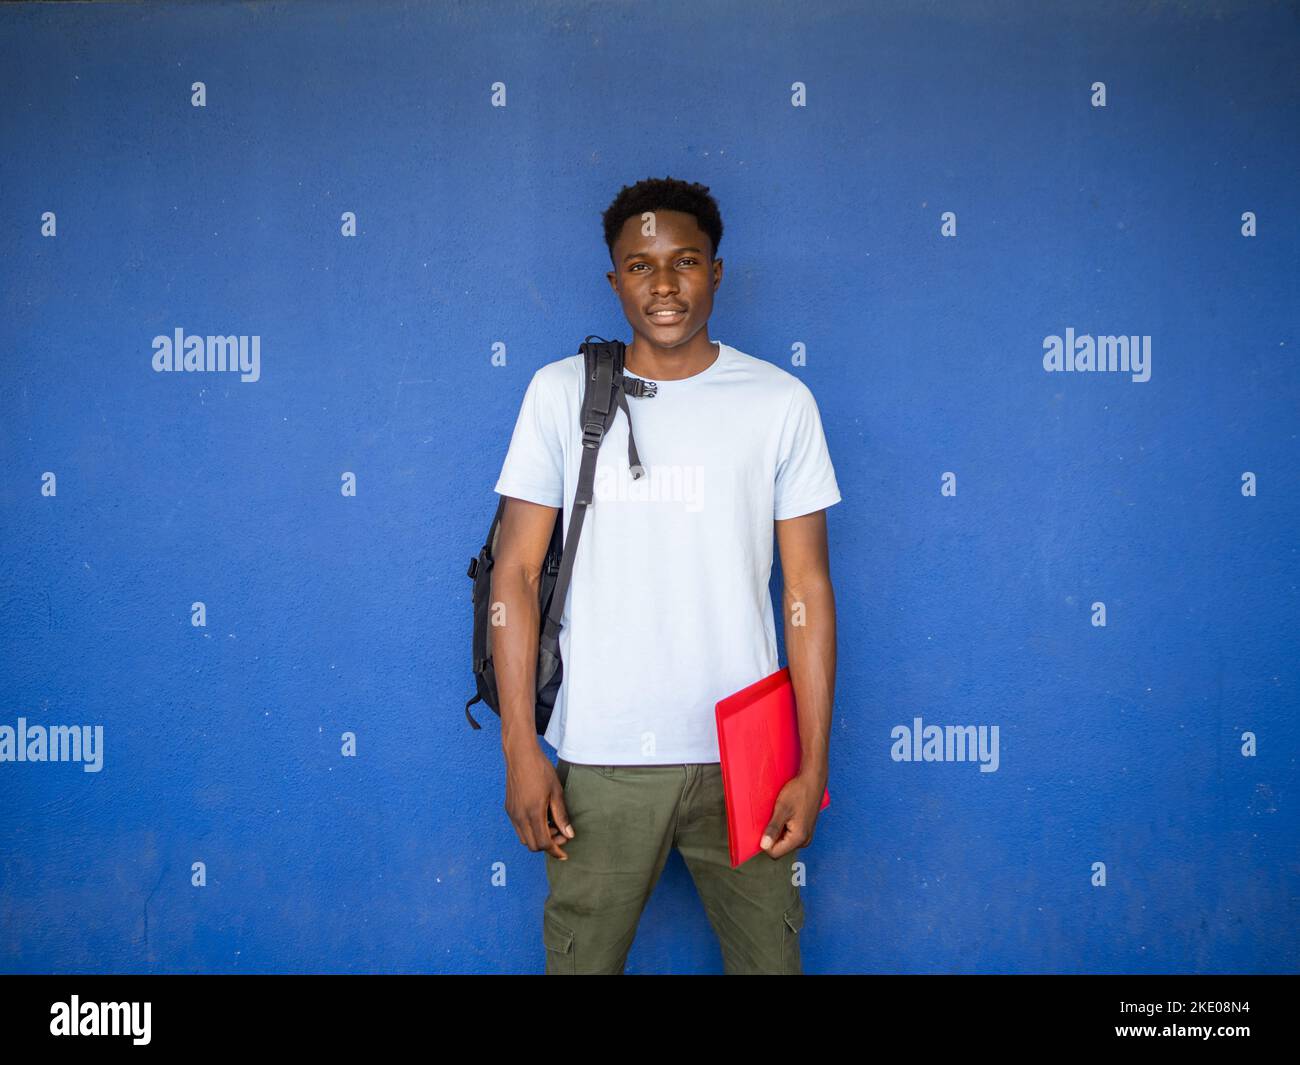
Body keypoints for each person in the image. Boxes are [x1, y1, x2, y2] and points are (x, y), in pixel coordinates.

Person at [490, 176, 840, 974]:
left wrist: (811, 764)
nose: (664, 284)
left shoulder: (780, 401)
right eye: (640, 265)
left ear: (717, 272)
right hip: (600, 754)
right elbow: (513, 574)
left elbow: (807, 591)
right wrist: (520, 747)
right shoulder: (559, 393)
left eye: (684, 261)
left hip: (746, 755)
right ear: (614, 280)